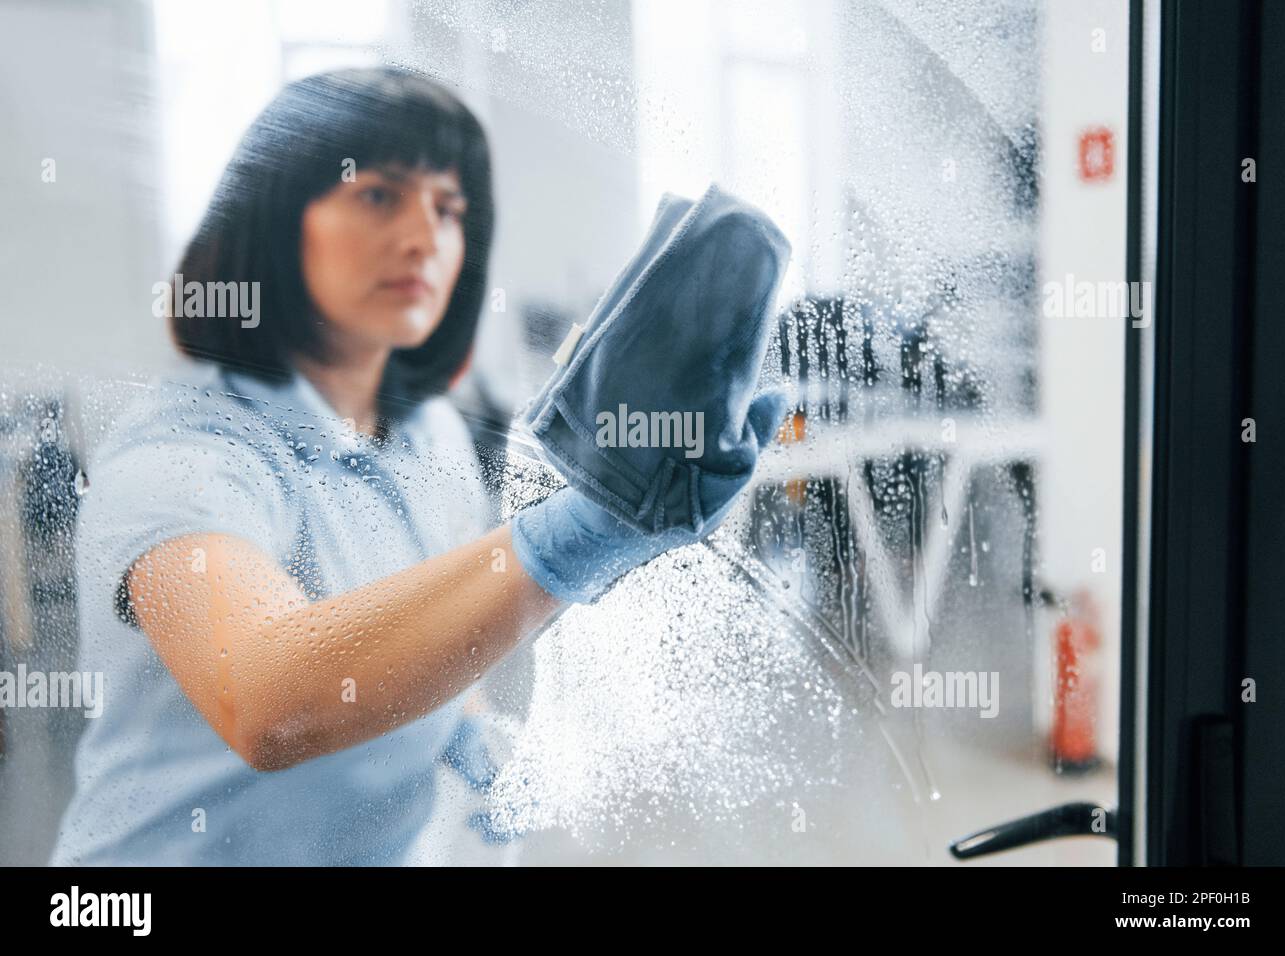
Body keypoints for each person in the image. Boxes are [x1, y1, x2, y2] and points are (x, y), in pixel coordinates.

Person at [48, 65, 782, 866]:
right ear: (271, 219)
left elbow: (415, 612)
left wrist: (468, 730)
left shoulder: (428, 432)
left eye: (447, 208)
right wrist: (578, 534)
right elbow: (264, 697)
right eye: (378, 195)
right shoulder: (185, 451)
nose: (424, 235)